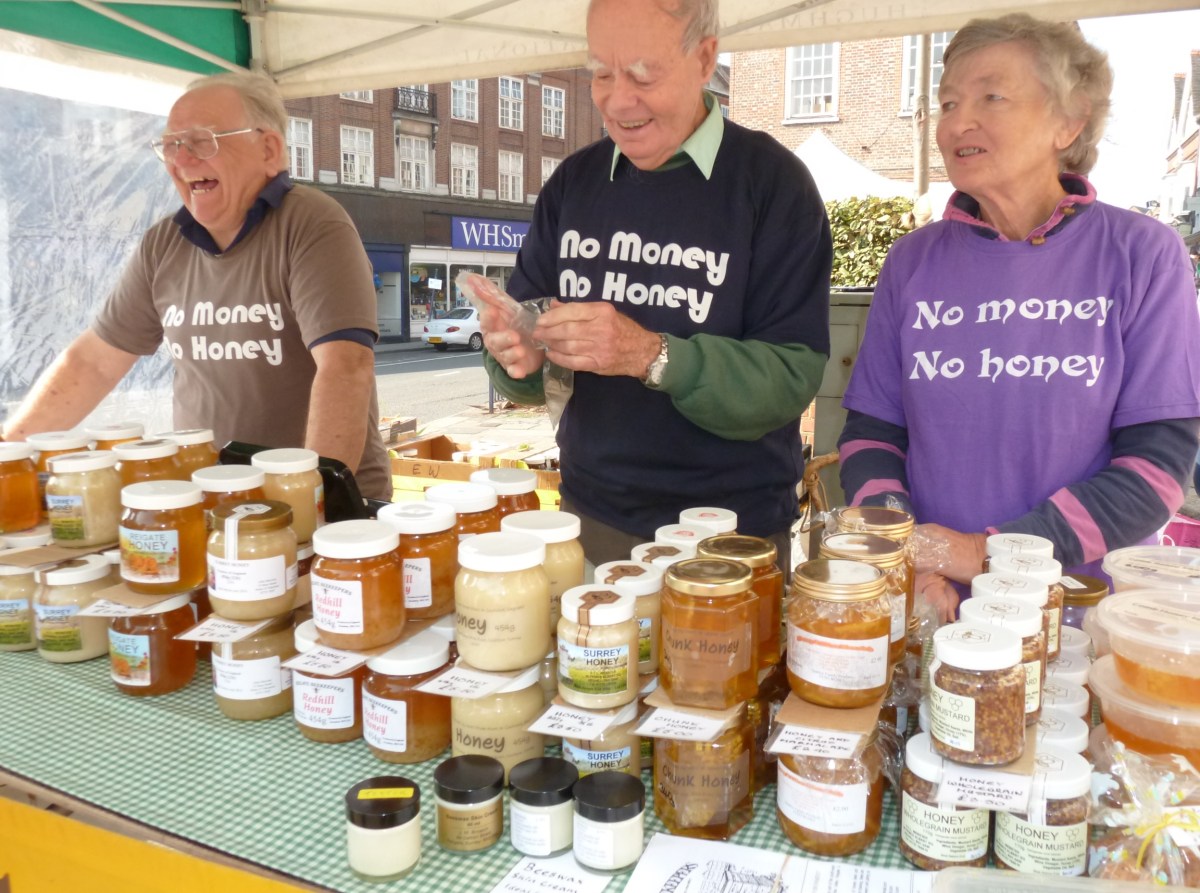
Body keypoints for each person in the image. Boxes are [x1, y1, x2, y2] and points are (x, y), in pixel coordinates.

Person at [838, 14, 1200, 621]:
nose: (957, 121)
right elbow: (871, 437)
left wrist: (984, 552)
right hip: (935, 607)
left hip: (1077, 622)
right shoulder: (912, 262)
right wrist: (909, 553)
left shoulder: (1142, 254)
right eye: (948, 101)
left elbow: (1156, 471)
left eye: (991, 97)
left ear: (1069, 120)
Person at [477, 0, 831, 566]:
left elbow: (791, 376)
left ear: (704, 58)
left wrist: (649, 354)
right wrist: (518, 357)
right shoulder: (574, 182)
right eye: (601, 73)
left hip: (731, 537)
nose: (619, 100)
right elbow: (527, 370)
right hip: (590, 518)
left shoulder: (773, 184)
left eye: (644, 74)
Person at [1, 72, 392, 500]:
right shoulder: (163, 243)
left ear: (269, 149)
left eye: (204, 140)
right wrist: (11, 448)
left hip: (313, 503)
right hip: (209, 501)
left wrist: (314, 498)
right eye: (171, 145)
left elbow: (345, 367)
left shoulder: (313, 223)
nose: (182, 160)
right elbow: (94, 362)